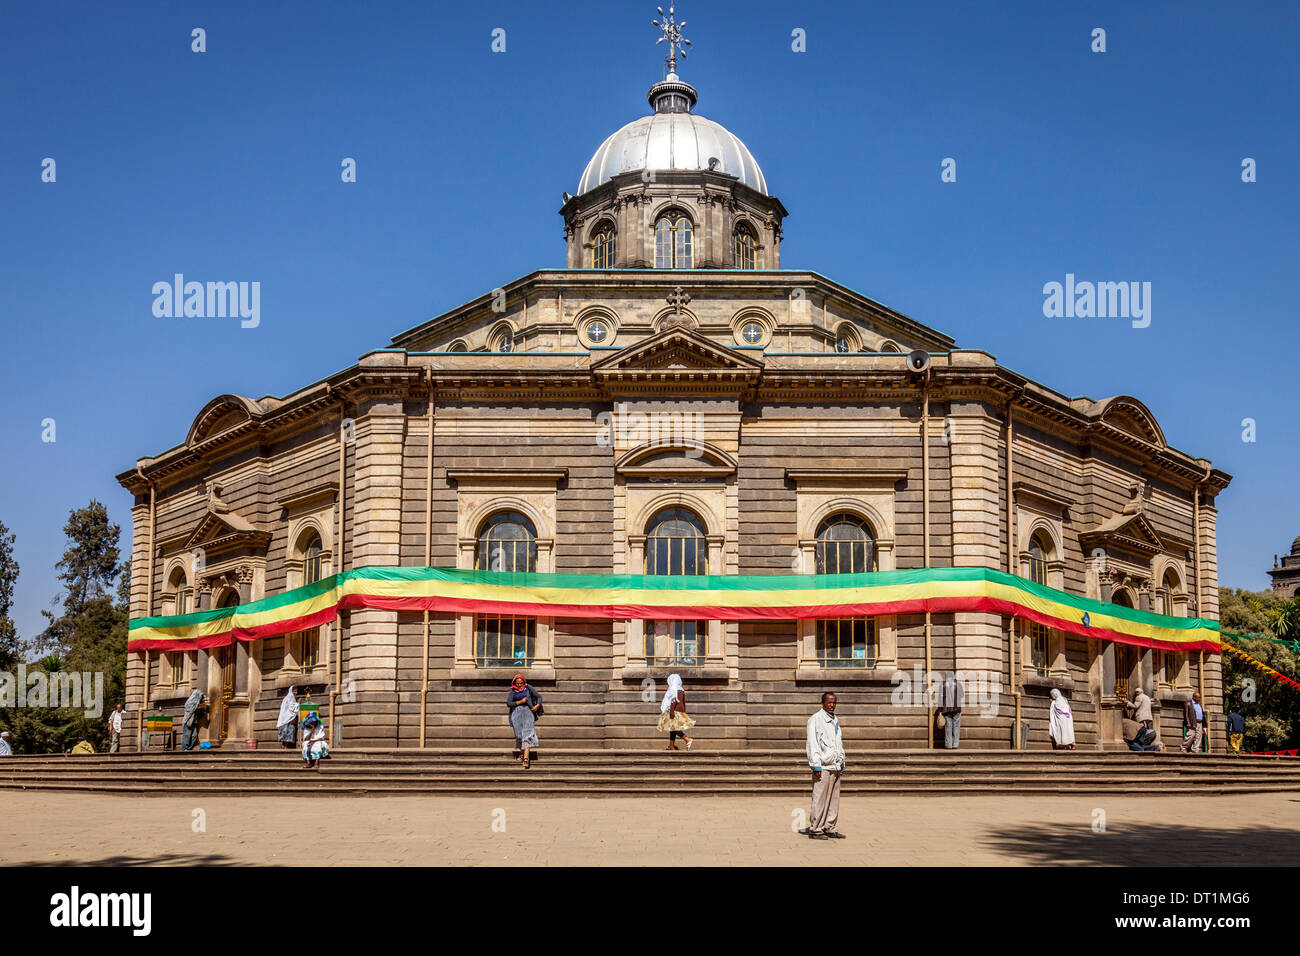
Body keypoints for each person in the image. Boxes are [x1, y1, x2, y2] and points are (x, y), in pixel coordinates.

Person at [803, 692, 846, 840]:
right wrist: (816, 766)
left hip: (835, 765)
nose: (832, 705)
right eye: (829, 702)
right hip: (823, 766)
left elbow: (838, 743)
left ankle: (829, 826)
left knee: (834, 799)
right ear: (822, 703)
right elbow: (812, 744)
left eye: (834, 702)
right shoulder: (815, 719)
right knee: (819, 798)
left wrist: (842, 761)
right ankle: (816, 829)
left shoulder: (835, 720)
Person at [507, 674, 541, 769]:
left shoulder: (528, 688)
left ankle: (526, 759)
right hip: (516, 714)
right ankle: (522, 754)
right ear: (514, 683)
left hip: (528, 713)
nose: (519, 685)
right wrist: (520, 702)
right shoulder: (512, 691)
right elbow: (509, 703)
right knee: (519, 736)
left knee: (527, 735)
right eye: (517, 683)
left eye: (521, 683)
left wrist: (537, 705)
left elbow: (539, 697)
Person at [657, 673, 695, 750]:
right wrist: (684, 711)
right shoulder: (681, 690)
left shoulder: (674, 689)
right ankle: (671, 746)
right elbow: (683, 702)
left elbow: (673, 701)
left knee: (674, 728)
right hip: (680, 711)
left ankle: (687, 739)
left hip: (674, 711)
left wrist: (671, 711)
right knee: (672, 728)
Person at [939, 672, 963, 749]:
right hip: (957, 708)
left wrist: (940, 710)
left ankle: (948, 745)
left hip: (946, 709)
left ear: (946, 676)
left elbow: (940, 697)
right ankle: (955, 744)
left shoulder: (943, 684)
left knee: (948, 726)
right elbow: (962, 695)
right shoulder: (958, 683)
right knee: (956, 726)